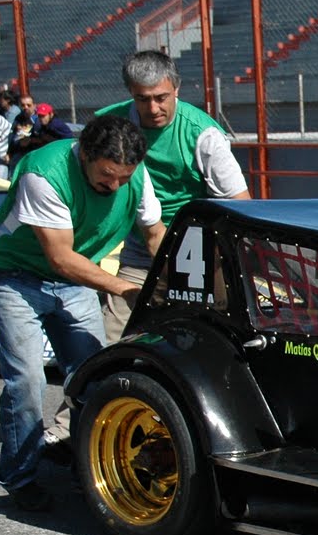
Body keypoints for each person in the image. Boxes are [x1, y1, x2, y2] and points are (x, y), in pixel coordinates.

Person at [0, 115, 164, 511]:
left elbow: (154, 235)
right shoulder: (43, 174)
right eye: (106, 176)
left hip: (75, 278)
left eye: (123, 178)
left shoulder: (137, 175)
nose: (114, 187)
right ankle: (20, 477)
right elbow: (61, 259)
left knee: (93, 377)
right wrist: (126, 288)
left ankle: (89, 467)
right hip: (16, 277)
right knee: (26, 380)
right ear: (84, 153)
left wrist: (170, 281)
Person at [95, 49, 249, 341]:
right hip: (142, 248)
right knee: (112, 337)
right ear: (131, 93)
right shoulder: (109, 124)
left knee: (214, 338)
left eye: (161, 97)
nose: (153, 108)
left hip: (200, 251)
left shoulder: (203, 135)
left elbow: (240, 203)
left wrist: (219, 260)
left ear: (176, 89)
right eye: (142, 99)